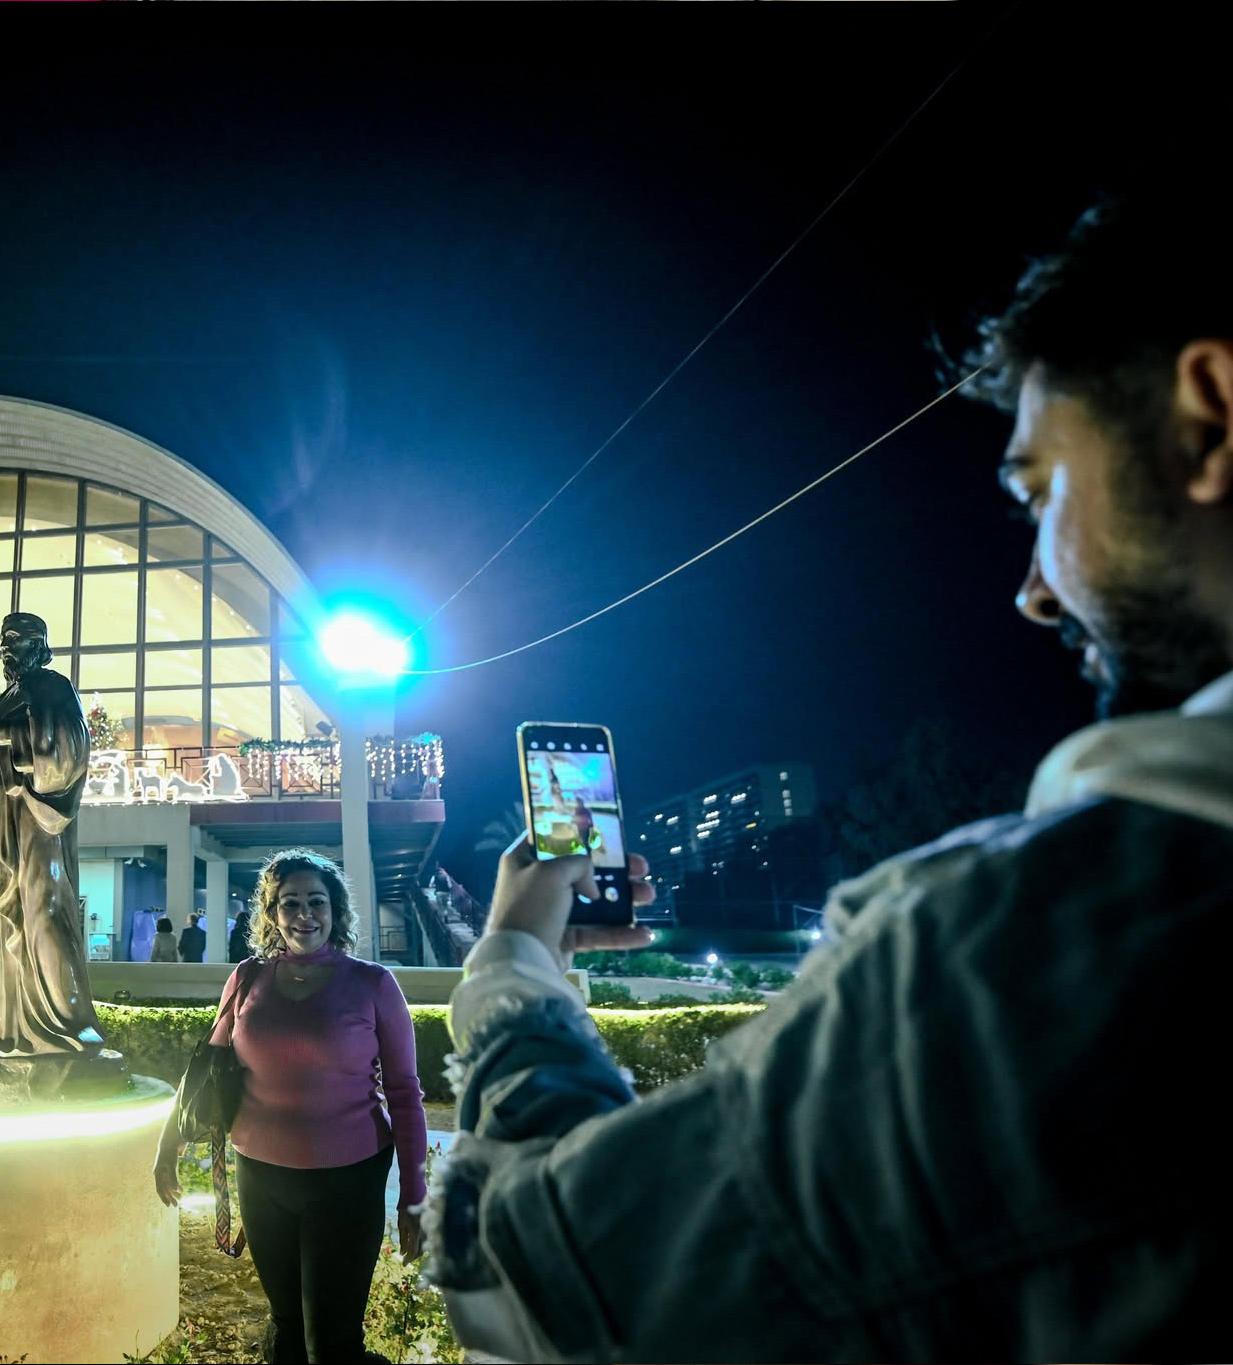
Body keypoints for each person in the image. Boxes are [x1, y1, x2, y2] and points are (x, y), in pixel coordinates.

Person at [421, 194, 1233, 1360]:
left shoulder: (1004, 966)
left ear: (1207, 419)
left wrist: (512, 963)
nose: (1033, 592)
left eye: (1041, 489)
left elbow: (541, 1275)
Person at [155, 850, 428, 1365]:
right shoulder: (248, 978)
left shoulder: (373, 984)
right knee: (285, 1330)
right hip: (261, 1177)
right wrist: (167, 1145)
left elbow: (405, 1094)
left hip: (348, 1180)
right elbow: (206, 1071)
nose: (305, 914)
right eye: (291, 903)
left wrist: (412, 1195)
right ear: (272, 913)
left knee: (332, 1343)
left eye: (317, 902)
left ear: (336, 910)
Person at [0, 611, 110, 1057]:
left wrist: (11, 735)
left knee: (42, 913)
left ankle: (63, 1022)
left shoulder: (53, 687)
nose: (6, 648)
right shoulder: (8, 696)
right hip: (0, 817)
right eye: (2, 640)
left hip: (34, 820)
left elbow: (70, 748)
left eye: (14, 639)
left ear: (37, 643)